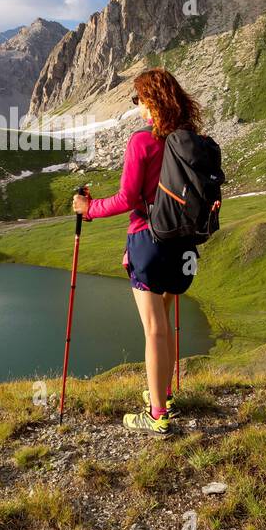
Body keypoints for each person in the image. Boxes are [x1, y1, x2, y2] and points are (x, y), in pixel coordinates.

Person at [72, 68, 202, 435]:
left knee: (152, 329)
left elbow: (128, 198)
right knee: (164, 319)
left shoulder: (142, 142)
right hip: (183, 242)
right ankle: (165, 394)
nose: (138, 107)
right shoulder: (189, 139)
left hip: (148, 239)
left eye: (139, 100)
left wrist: (89, 209)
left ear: (153, 101)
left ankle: (157, 414)